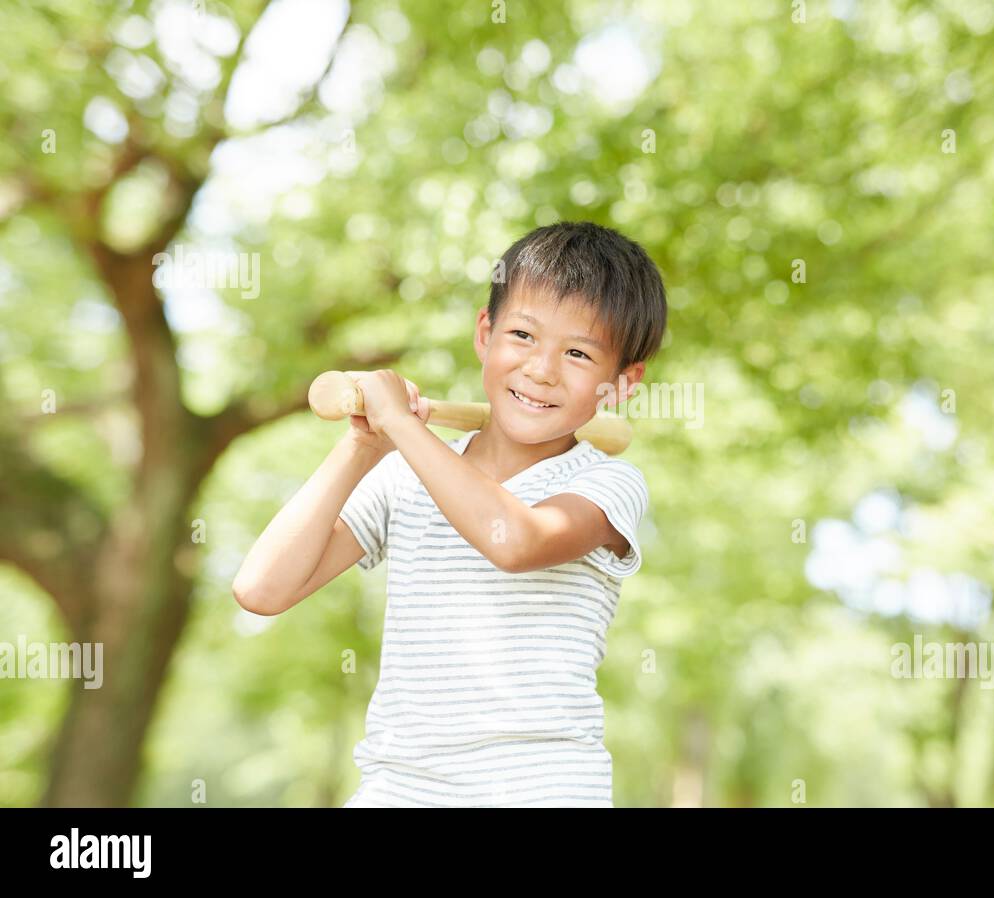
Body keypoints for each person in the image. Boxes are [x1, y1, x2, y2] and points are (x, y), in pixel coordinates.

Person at [232, 221, 667, 806]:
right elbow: (262, 588)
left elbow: (512, 540)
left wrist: (406, 428)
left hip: (540, 791)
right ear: (484, 334)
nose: (541, 370)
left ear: (620, 383)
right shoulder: (406, 471)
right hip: (399, 790)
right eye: (522, 335)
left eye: (579, 353)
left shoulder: (607, 482)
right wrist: (365, 445)